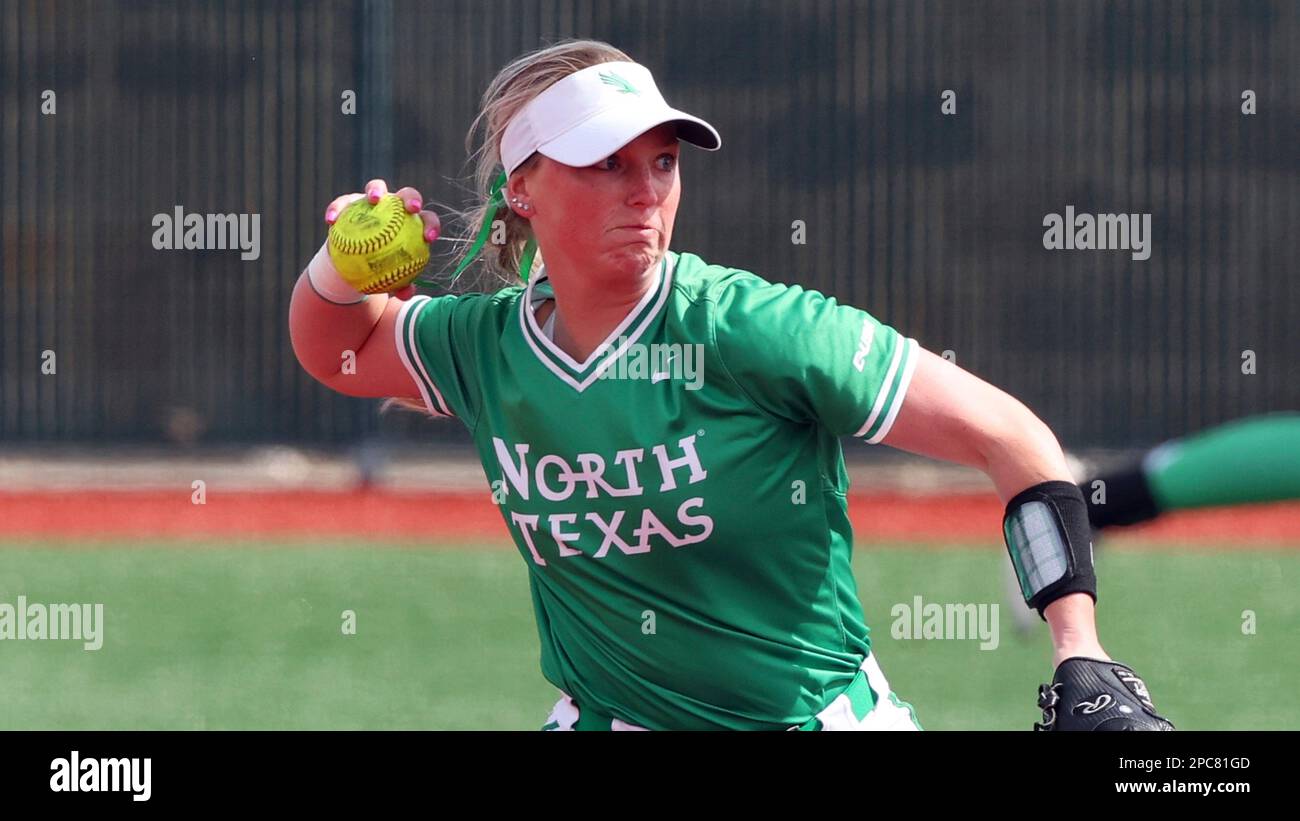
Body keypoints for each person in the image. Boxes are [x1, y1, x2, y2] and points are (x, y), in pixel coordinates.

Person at [289, 39, 1172, 731]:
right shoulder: (487, 347)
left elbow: (1010, 439)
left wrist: (1079, 650)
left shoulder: (755, 329)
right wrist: (338, 264)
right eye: (608, 164)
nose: (645, 190)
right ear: (524, 189)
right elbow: (338, 351)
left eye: (663, 161)